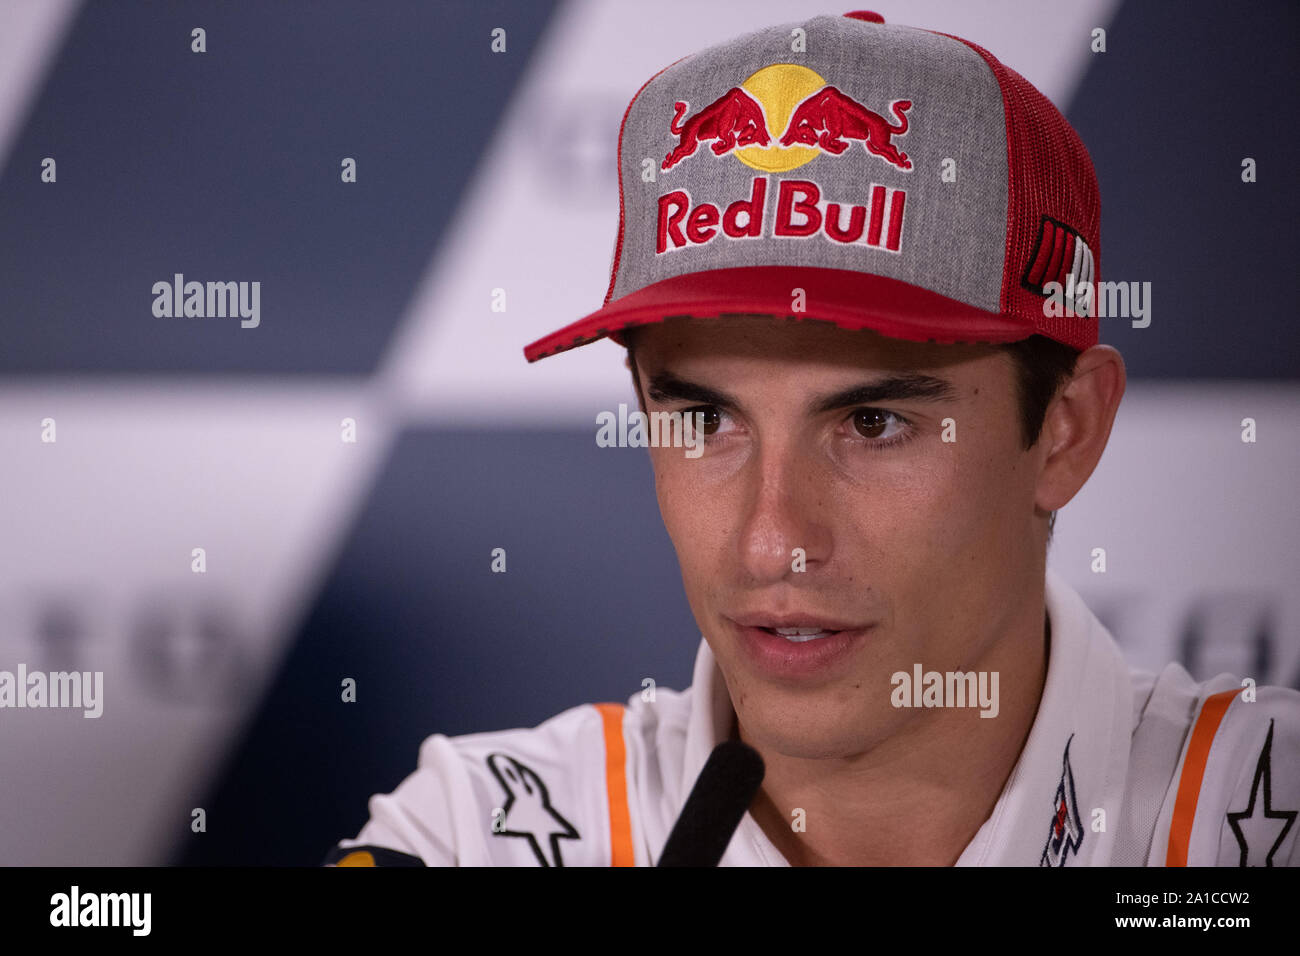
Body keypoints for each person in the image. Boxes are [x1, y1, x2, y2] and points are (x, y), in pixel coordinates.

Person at [326, 10, 1299, 867]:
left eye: (873, 423)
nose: (770, 537)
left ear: (1065, 431)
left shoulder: (1263, 813)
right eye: (705, 419)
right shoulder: (478, 833)